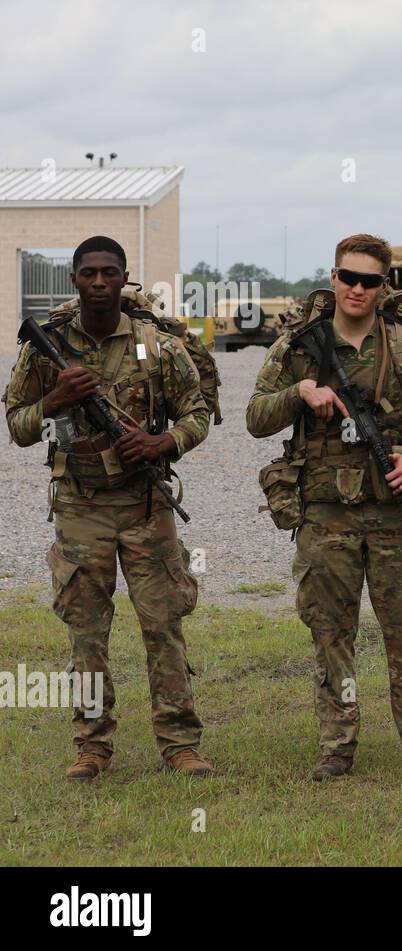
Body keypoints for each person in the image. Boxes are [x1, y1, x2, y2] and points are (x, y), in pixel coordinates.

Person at [246, 233, 402, 781]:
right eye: (348, 277)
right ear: (334, 277)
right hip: (325, 514)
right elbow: (255, 417)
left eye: (369, 281)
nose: (357, 288)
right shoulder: (301, 347)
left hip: (395, 512)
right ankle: (336, 745)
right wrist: (301, 391)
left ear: (383, 285)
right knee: (330, 634)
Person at [4, 236, 213, 780]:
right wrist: (55, 401)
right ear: (74, 280)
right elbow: (18, 425)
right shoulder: (44, 347)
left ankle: (179, 743)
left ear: (124, 279)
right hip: (80, 506)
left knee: (163, 625)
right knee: (87, 633)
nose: (99, 282)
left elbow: (199, 414)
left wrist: (160, 445)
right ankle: (92, 746)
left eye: (109, 273)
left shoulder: (155, 344)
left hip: (146, 504)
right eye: (89, 273)